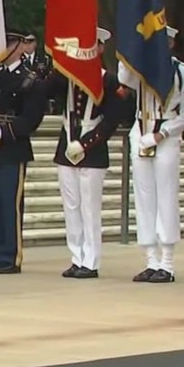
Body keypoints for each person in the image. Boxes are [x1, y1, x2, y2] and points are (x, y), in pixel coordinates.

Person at [47, 27, 130, 280]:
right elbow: (45, 90)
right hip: (67, 146)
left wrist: (86, 144)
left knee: (89, 207)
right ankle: (76, 257)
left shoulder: (107, 80)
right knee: (71, 206)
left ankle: (91, 260)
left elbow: (113, 119)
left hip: (91, 150)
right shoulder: (67, 78)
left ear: (101, 49)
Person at [126, 25, 184, 284]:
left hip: (165, 132)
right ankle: (150, 259)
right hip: (141, 129)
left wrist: (164, 133)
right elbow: (124, 78)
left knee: (166, 196)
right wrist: (130, 48)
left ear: (170, 44)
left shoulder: (183, 72)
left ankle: (167, 262)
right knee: (144, 197)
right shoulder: (140, 68)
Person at [0, 31, 47, 274]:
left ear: (19, 47)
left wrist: (6, 131)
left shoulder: (30, 79)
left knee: (8, 203)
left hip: (12, 147)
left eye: (7, 44)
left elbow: (31, 119)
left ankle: (9, 256)